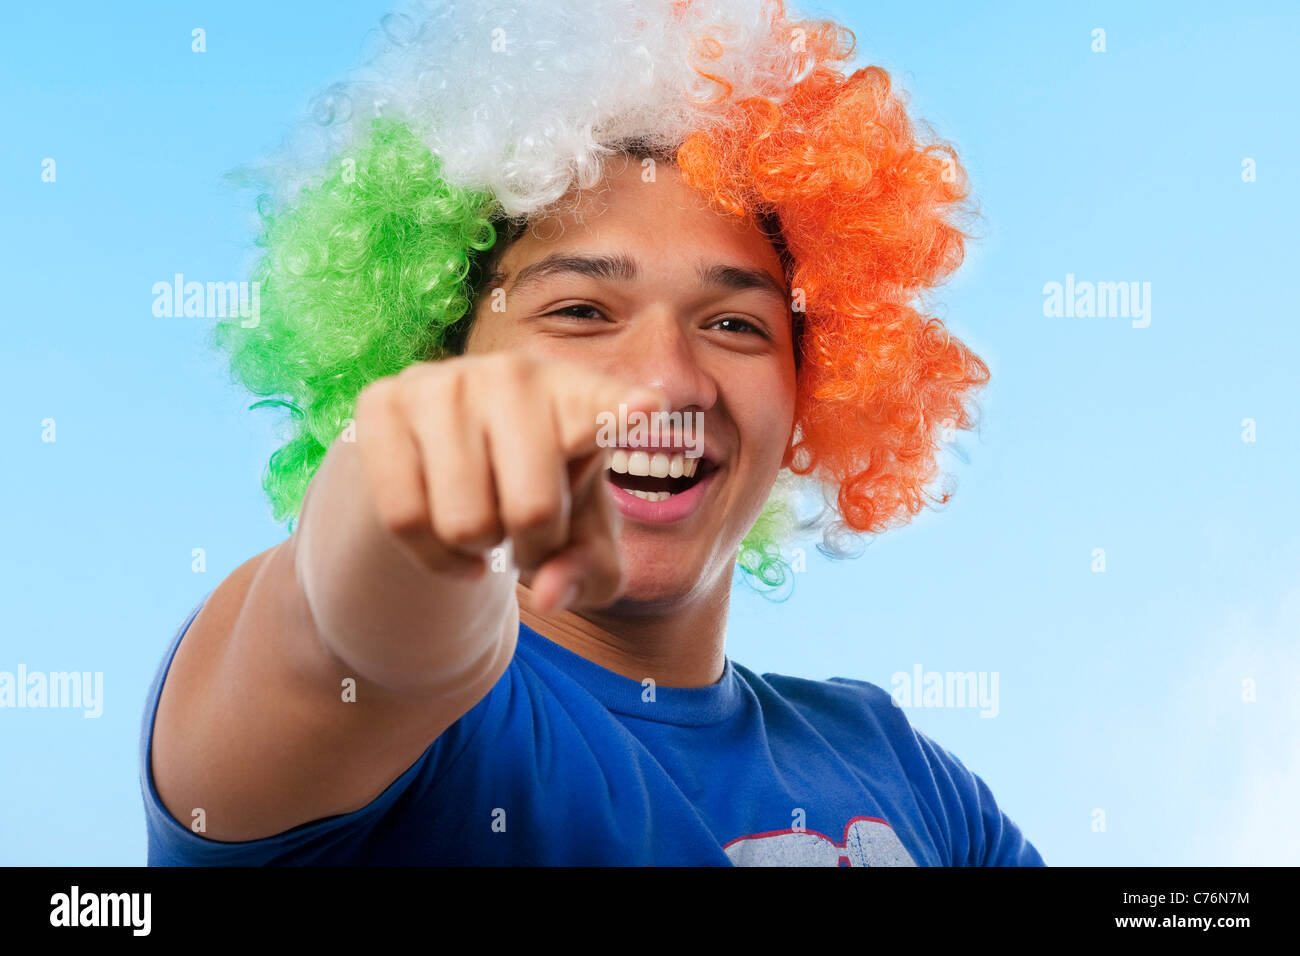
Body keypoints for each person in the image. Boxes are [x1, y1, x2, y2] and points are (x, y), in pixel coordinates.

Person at [139, 0, 1046, 865]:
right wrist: (394, 498)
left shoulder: (902, 774)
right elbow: (336, 635)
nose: (666, 381)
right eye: (580, 311)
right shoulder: (421, 732)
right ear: (436, 357)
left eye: (735, 325)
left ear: (812, 385)